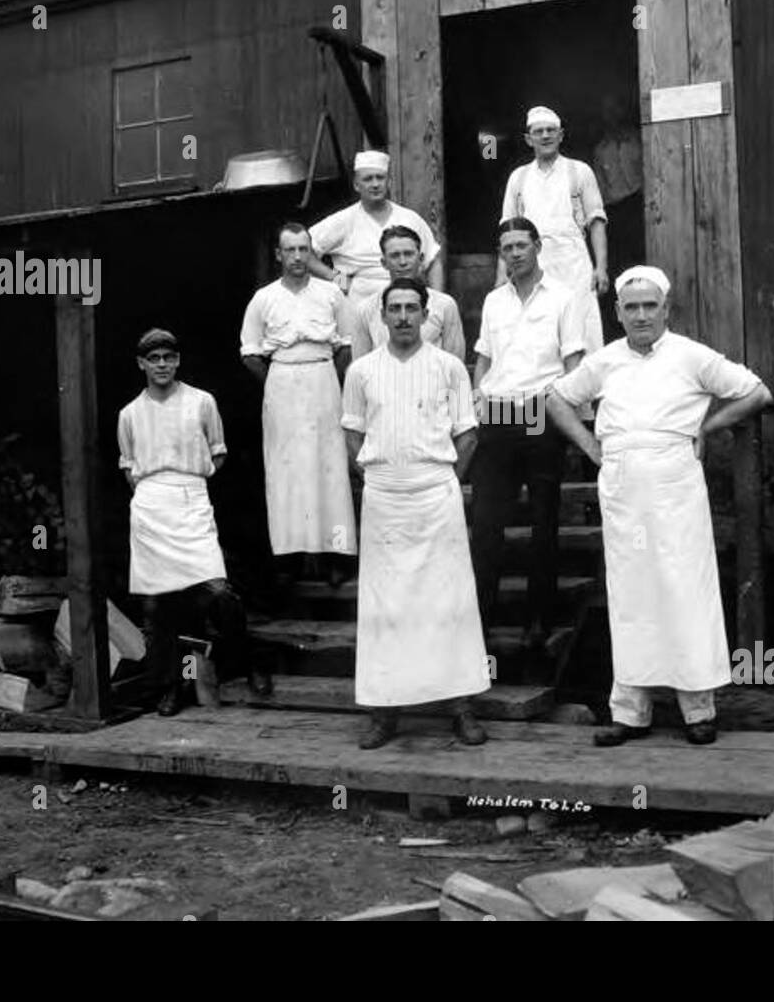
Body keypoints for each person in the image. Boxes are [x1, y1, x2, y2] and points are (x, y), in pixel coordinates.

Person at [545, 266, 773, 746]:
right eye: (632, 307)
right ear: (618, 313)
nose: (642, 315)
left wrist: (706, 429)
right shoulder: (604, 361)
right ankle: (630, 712)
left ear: (666, 309)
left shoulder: (692, 356)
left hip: (675, 482)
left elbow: (757, 392)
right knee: (631, 594)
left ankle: (697, 710)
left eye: (651, 306)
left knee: (683, 588)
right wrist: (591, 448)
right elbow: (557, 400)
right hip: (623, 486)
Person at [342, 277, 490, 750]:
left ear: (426, 315)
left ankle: (461, 707)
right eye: (395, 308)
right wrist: (381, 481)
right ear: (382, 316)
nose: (403, 317)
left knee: (449, 603)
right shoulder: (361, 371)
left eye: (412, 308)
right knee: (386, 608)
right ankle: (385, 711)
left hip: (435, 497)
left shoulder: (450, 368)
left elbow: (468, 436)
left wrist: (442, 482)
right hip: (385, 498)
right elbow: (352, 434)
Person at [117, 328, 269, 717]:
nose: (162, 365)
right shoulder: (130, 414)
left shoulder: (202, 402)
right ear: (142, 364)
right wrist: (153, 495)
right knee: (158, 607)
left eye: (169, 357)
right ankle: (168, 688)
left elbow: (217, 454)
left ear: (178, 361)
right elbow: (128, 467)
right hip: (151, 508)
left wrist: (189, 487)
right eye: (154, 359)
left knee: (219, 592)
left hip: (191, 501)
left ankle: (249, 664)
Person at [471, 217, 585, 648]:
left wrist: (566, 410)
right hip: (498, 413)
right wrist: (480, 396)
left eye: (521, 245)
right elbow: (483, 357)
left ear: (537, 246)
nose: (514, 253)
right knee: (486, 524)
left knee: (543, 521)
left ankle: (538, 620)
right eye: (507, 248)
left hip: (540, 410)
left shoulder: (562, 297)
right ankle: (480, 622)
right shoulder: (494, 301)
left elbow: (574, 360)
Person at [239, 222, 357, 584]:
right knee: (286, 470)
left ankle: (335, 556)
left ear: (311, 252)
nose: (297, 257)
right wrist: (280, 381)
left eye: (303, 249)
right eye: (289, 250)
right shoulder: (264, 298)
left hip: (323, 379)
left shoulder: (331, 294)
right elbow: (250, 353)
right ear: (278, 254)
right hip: (282, 383)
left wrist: (327, 378)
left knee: (330, 467)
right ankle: (290, 558)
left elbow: (345, 346)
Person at [499, 105, 607, 355]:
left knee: (581, 327)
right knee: (540, 326)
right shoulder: (519, 178)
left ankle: (585, 389)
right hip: (533, 263)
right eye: (539, 132)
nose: (545, 136)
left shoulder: (579, 171)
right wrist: (502, 274)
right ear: (529, 139)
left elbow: (596, 221)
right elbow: (507, 227)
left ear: (561, 135)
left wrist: (601, 267)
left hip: (574, 263)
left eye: (551, 130)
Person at [308, 151, 444, 309]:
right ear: (356, 185)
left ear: (389, 182)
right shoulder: (344, 220)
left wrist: (436, 303)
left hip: (406, 301)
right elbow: (306, 250)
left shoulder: (409, 219)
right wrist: (340, 280)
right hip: (358, 303)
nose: (375, 184)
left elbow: (433, 260)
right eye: (368, 179)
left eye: (380, 178)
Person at [349, 224, 465, 361]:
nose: (403, 262)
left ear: (421, 258)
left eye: (408, 254)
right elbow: (359, 367)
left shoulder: (445, 305)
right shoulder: (366, 309)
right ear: (384, 263)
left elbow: (455, 364)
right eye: (395, 256)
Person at [592, 95, 644, 341]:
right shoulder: (601, 149)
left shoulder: (639, 140)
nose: (612, 115)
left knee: (639, 262)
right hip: (614, 211)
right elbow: (600, 187)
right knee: (618, 265)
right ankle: (618, 324)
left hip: (638, 206)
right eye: (607, 111)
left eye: (616, 109)